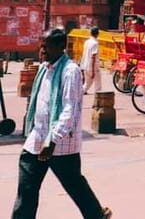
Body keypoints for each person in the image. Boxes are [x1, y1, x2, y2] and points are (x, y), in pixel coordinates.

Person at [13, 29, 112, 219]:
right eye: (41, 46)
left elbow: (70, 109)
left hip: (60, 143)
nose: (42, 51)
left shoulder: (70, 71)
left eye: (46, 47)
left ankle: (96, 215)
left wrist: (53, 139)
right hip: (37, 138)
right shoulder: (44, 68)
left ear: (60, 47)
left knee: (74, 185)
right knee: (26, 187)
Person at [80, 26, 101, 95]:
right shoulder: (95, 43)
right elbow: (93, 57)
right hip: (93, 67)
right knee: (98, 85)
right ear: (97, 34)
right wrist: (93, 70)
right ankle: (98, 98)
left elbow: (84, 54)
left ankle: (79, 93)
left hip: (85, 65)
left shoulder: (87, 42)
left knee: (87, 83)